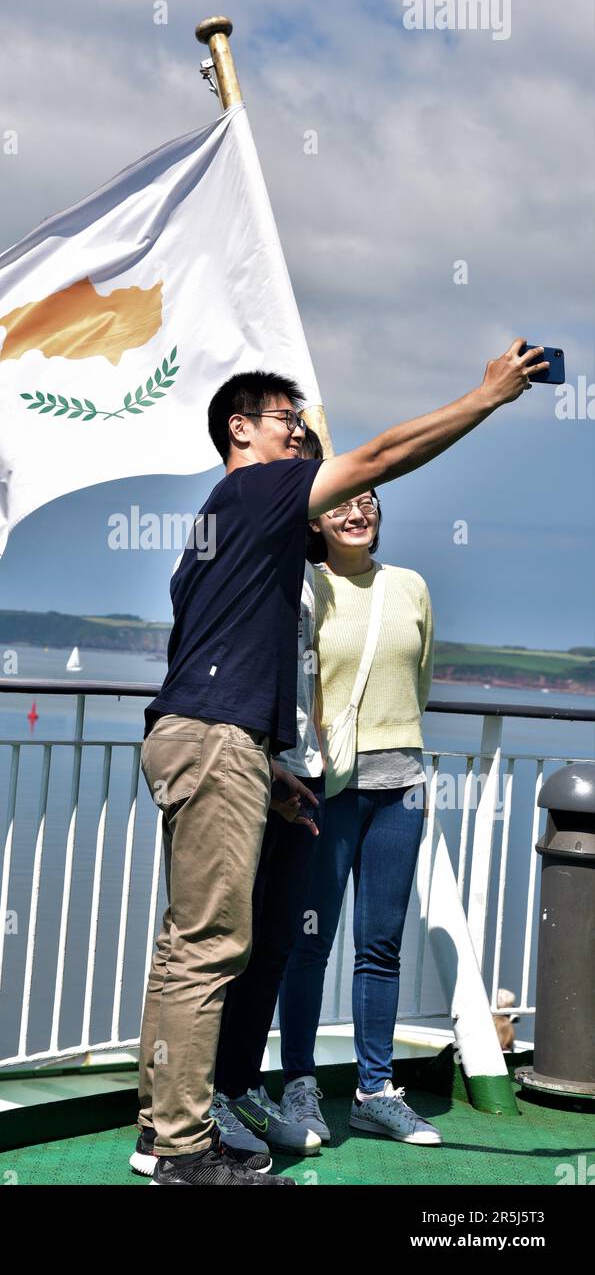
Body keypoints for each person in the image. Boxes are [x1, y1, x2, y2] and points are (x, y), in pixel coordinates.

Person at [133, 339, 547, 1186]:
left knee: (199, 945)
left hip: (219, 738)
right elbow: (384, 454)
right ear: (241, 431)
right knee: (208, 948)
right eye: (293, 427)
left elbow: (202, 646)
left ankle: (165, 1130)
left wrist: (261, 759)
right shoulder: (254, 486)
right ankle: (179, 1149)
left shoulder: (221, 523)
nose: (306, 446)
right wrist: (487, 397)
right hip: (213, 740)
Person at [276, 487, 442, 1146]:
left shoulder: (410, 586)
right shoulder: (307, 588)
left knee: (380, 946)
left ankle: (375, 1091)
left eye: (367, 501)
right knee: (308, 942)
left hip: (399, 783)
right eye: (342, 502)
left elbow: (419, 678)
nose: (357, 512)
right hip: (328, 786)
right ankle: (298, 1085)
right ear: (316, 519)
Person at [207, 426, 328, 1164]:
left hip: (300, 769)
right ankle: (204, 1096)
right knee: (223, 941)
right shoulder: (252, 542)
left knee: (277, 937)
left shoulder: (317, 574)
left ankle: (243, 1083)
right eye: (299, 461)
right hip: (246, 761)